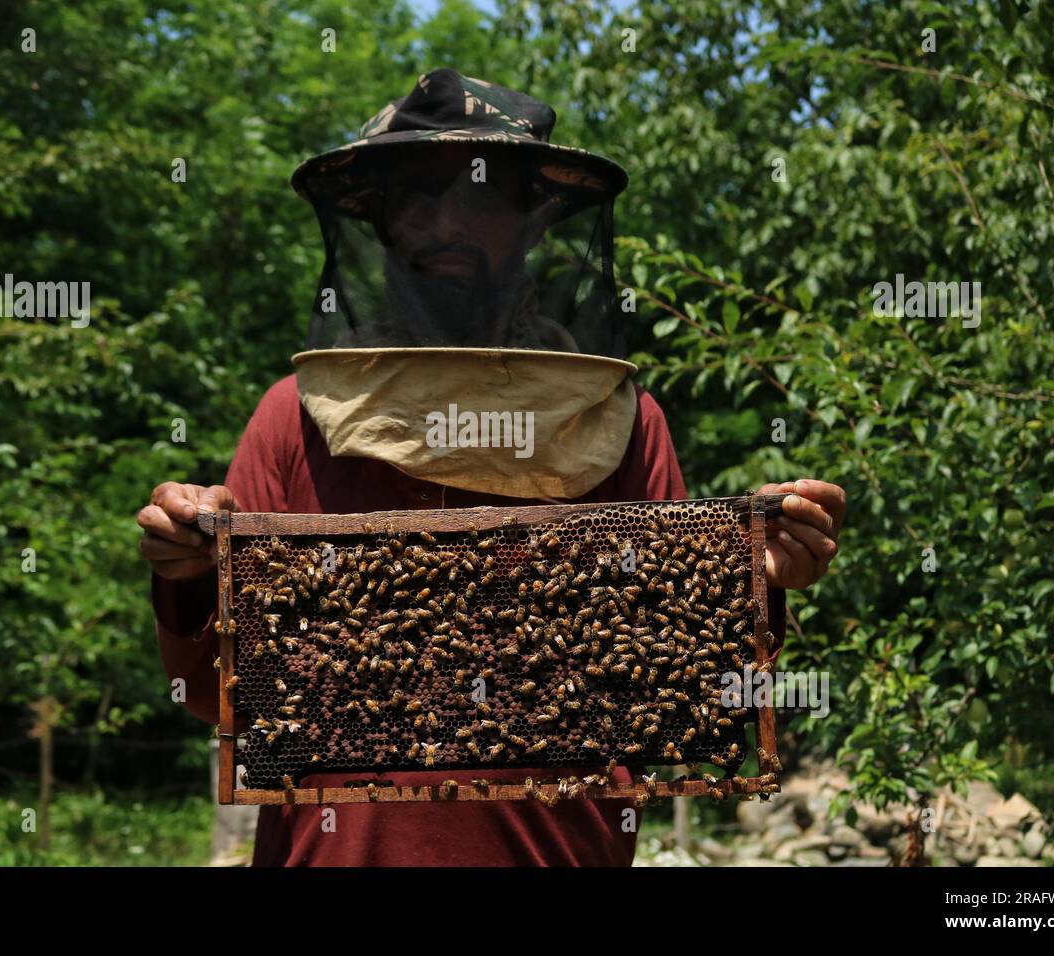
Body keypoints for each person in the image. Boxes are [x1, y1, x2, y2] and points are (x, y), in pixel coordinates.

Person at [136, 69, 846, 866]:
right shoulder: (296, 418)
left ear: (535, 219)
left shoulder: (615, 421)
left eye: (476, 198)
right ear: (380, 225)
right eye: (416, 199)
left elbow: (682, 691)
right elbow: (211, 689)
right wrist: (190, 566)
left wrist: (753, 581)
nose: (443, 225)